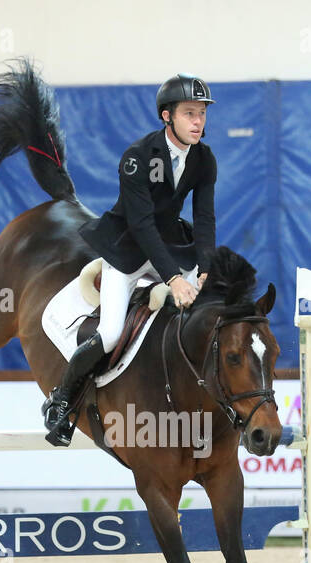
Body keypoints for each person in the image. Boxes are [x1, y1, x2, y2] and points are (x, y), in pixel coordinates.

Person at [42, 73, 218, 446]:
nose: (198, 121)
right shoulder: (138, 158)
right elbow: (141, 224)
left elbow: (204, 218)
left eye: (202, 113)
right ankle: (61, 402)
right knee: (108, 335)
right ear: (166, 116)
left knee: (207, 309)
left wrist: (204, 269)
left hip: (171, 244)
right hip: (128, 249)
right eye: (189, 113)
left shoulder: (204, 158)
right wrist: (173, 278)